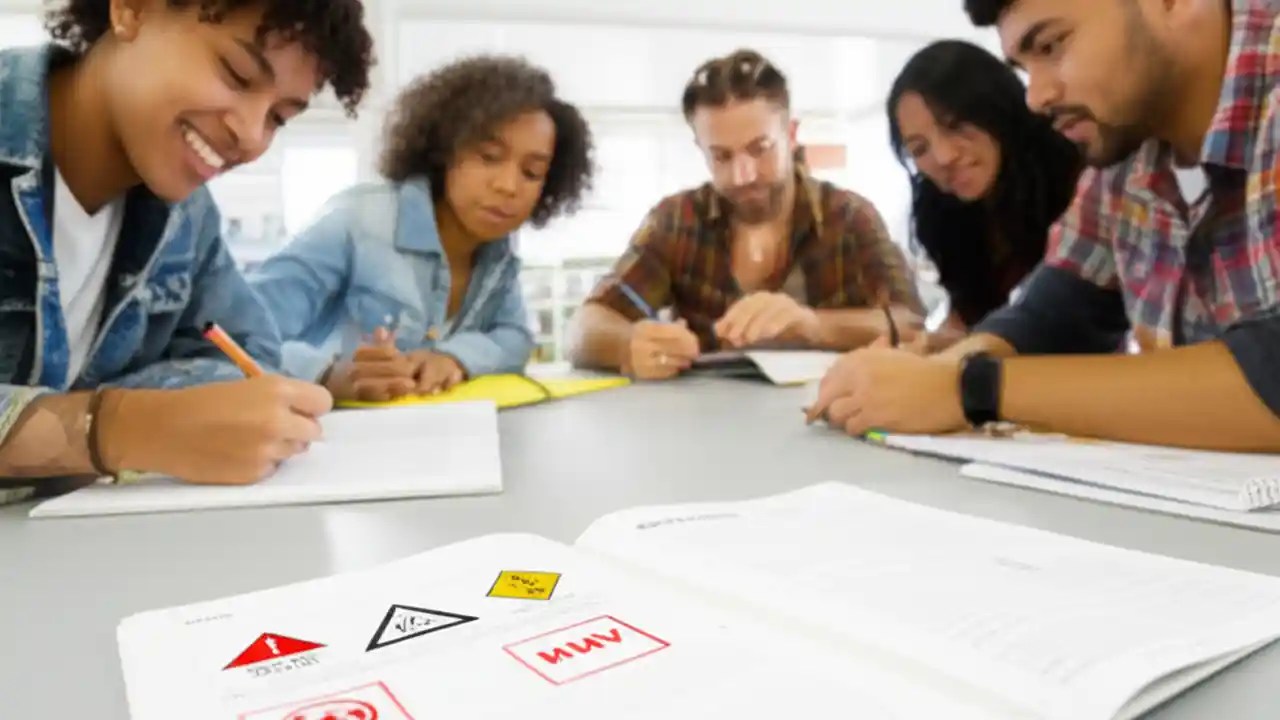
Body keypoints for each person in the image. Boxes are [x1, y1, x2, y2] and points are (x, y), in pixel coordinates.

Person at [810, 0, 1280, 452]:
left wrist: (969, 389)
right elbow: (1059, 308)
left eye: (1053, 45)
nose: (1035, 98)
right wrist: (943, 371)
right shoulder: (1127, 144)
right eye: (1023, 65)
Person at [0, 0, 375, 495]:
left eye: (278, 117)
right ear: (132, 10)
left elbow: (250, 357)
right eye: (236, 74)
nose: (251, 136)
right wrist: (121, 427)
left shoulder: (186, 216)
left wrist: (161, 421)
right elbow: (138, 426)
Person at [249, 55, 595, 403]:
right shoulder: (359, 220)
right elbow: (241, 331)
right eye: (489, 157)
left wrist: (454, 358)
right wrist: (326, 374)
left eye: (532, 173)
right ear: (444, 150)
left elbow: (514, 337)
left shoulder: (497, 249)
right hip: (320, 428)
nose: (508, 186)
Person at [569, 48, 923, 381]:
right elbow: (583, 328)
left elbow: (911, 325)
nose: (743, 176)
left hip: (833, 412)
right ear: (701, 149)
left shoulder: (848, 217)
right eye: (721, 156)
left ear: (791, 135)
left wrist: (812, 326)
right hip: (703, 418)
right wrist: (628, 345)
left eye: (760, 149)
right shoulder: (676, 221)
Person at [888, 39, 1099, 350]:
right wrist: (925, 348)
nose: (944, 156)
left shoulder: (1083, 185)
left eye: (955, 126)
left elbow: (1064, 328)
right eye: (920, 149)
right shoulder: (945, 214)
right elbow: (967, 324)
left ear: (997, 108)